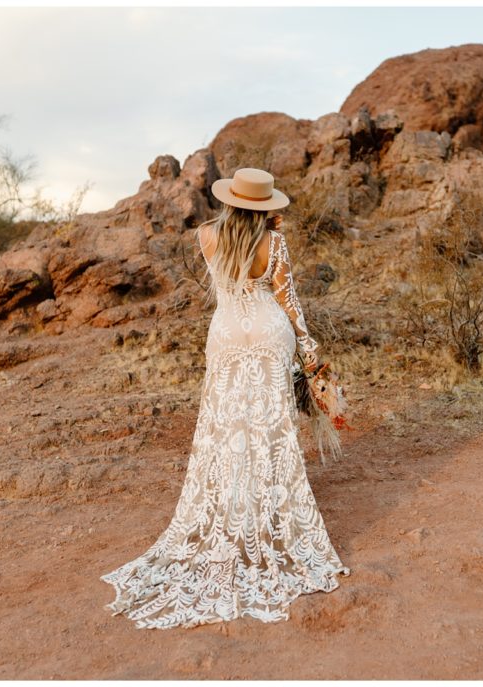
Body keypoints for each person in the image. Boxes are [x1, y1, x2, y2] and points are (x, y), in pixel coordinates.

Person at [100, 167, 351, 629]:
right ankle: (264, 524)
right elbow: (290, 303)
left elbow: (225, 281)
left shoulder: (206, 236)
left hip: (228, 333)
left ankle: (228, 519)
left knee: (225, 429)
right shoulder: (274, 243)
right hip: (269, 333)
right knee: (269, 431)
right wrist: (313, 357)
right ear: (265, 206)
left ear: (231, 199)